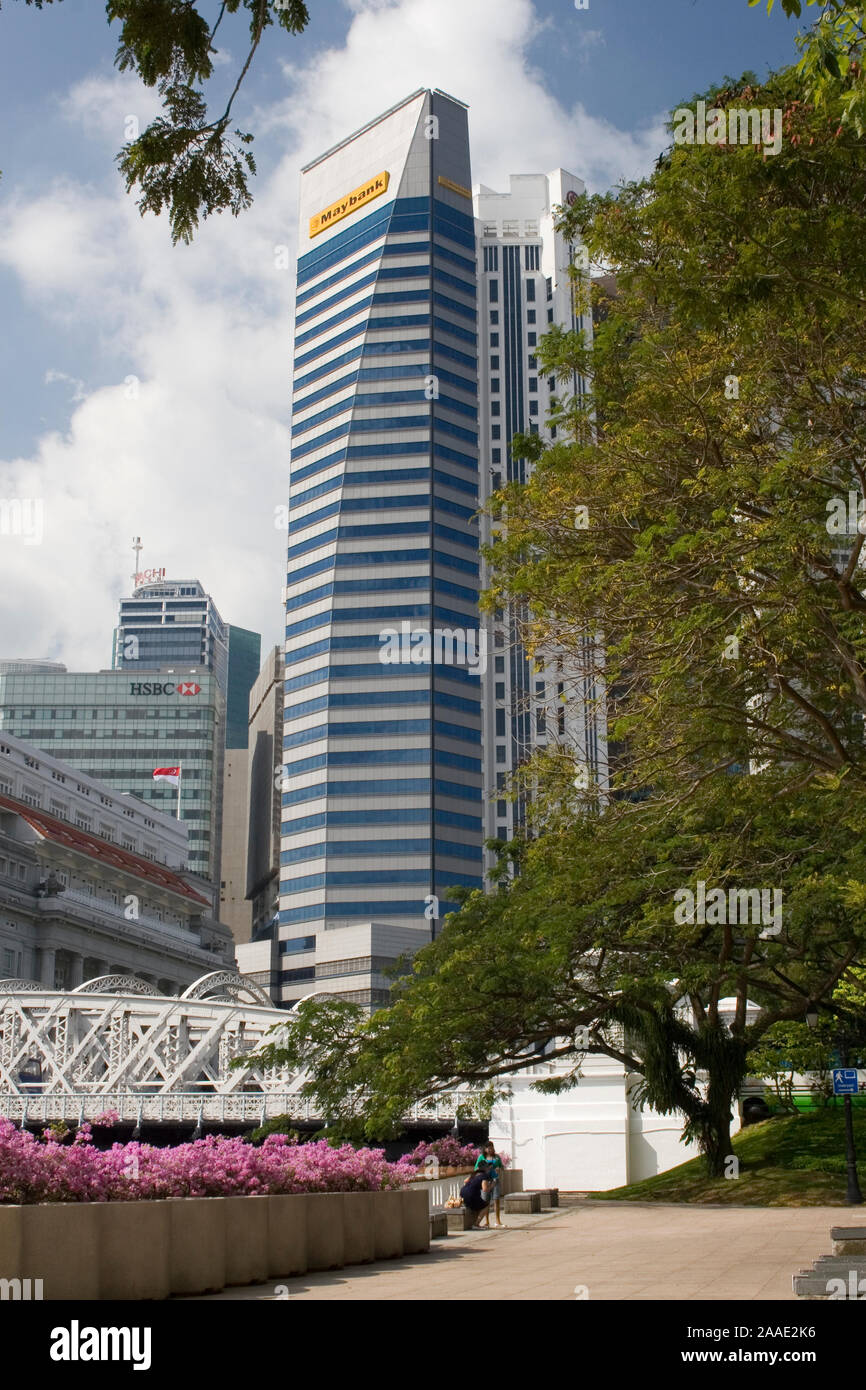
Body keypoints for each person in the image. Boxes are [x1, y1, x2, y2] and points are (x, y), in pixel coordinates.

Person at [474, 1142, 504, 1226]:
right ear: (485, 1149)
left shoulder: (497, 1157)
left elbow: (501, 1166)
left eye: (491, 1148)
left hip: (495, 1180)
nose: (490, 1150)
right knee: (485, 1201)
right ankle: (486, 1221)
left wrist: (499, 1168)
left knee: (496, 1199)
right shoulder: (482, 1157)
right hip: (485, 1181)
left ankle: (498, 1221)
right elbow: (476, 1168)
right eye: (488, 1148)